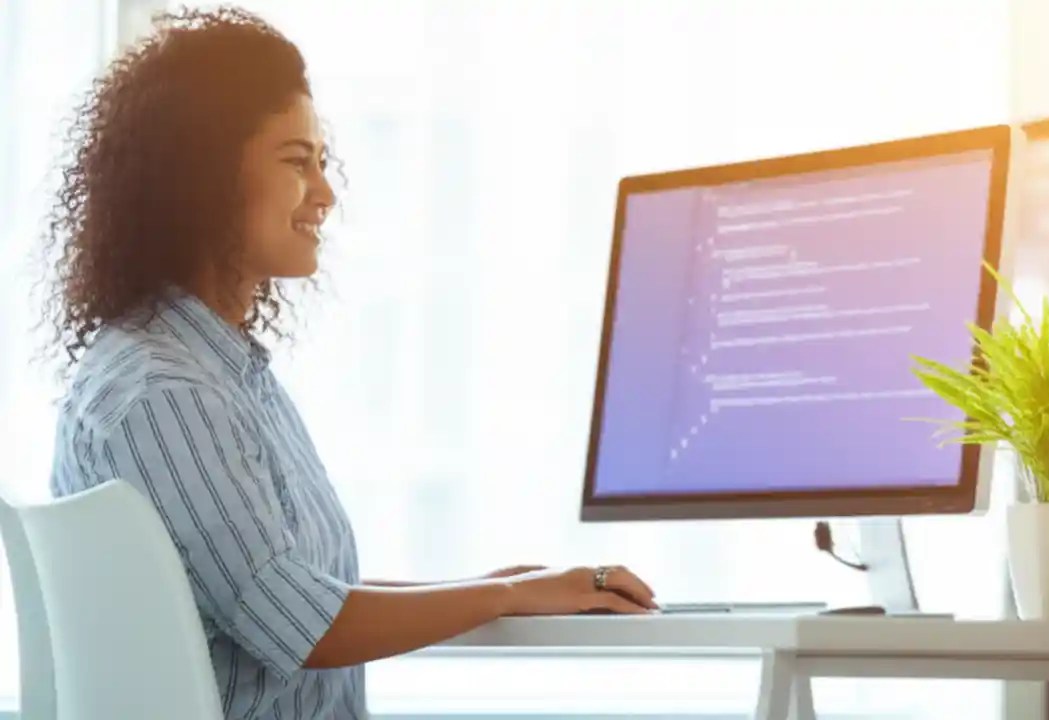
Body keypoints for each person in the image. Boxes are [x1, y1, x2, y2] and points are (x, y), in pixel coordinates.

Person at [40, 6, 658, 719]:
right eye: (298, 162)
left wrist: (488, 587)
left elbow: (287, 592)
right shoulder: (166, 391)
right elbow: (301, 624)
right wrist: (512, 596)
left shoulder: (211, 372)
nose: (327, 194)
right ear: (202, 174)